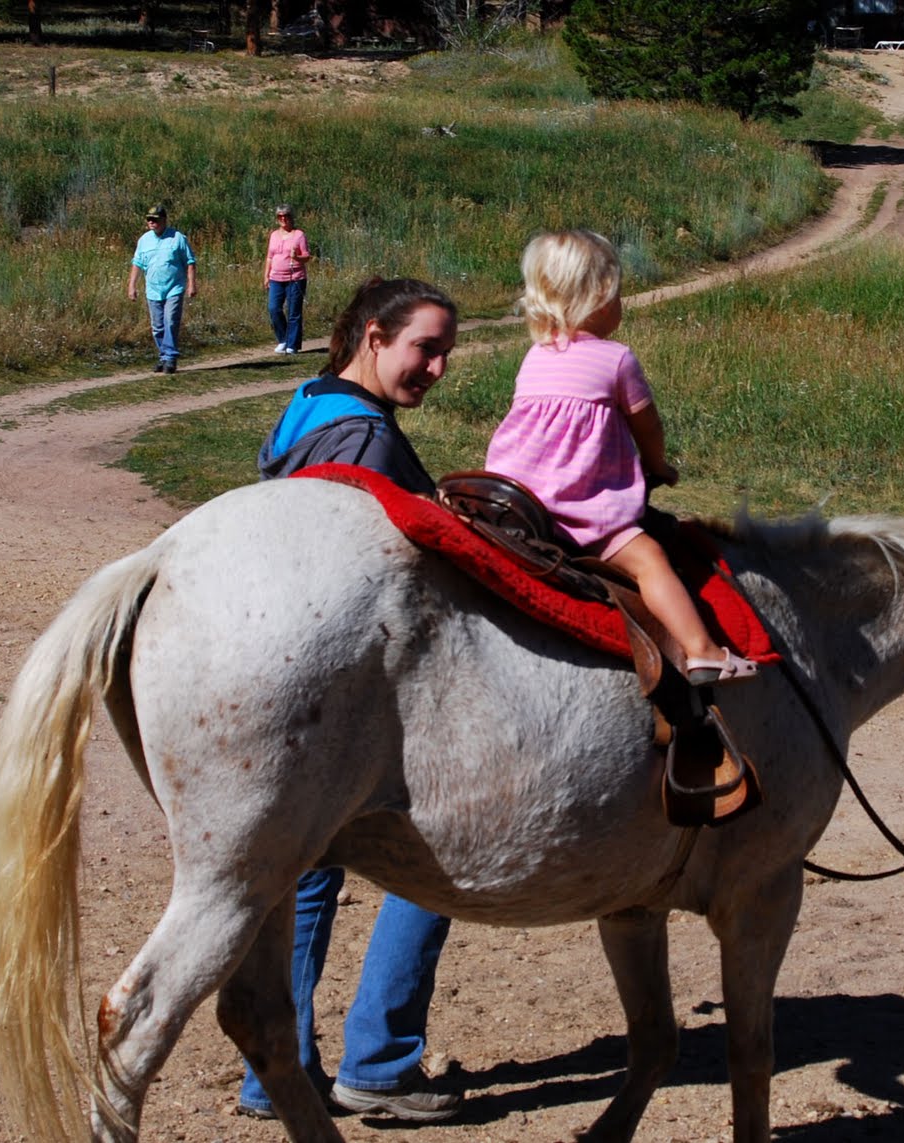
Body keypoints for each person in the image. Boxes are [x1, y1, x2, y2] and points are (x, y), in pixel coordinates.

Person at [239, 277, 461, 1123]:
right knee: (438, 858)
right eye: (425, 348)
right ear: (374, 335)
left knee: (306, 873)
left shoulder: (308, 401)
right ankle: (381, 1057)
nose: (437, 368)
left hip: (289, 680)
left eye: (445, 353)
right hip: (351, 695)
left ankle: (276, 1072)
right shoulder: (364, 441)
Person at [485, 230, 758, 687]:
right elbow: (647, 426)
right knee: (650, 559)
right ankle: (703, 651)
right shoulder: (617, 360)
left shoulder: (535, 356)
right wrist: (659, 466)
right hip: (579, 511)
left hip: (520, 503)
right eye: (618, 294)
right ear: (598, 297)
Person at [127, 203, 197, 374]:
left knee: (170, 321)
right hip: (153, 290)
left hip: (174, 288)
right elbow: (137, 264)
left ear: (164, 220)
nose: (152, 223)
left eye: (155, 220)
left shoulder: (178, 238)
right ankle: (163, 355)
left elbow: (190, 262)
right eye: (149, 220)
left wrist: (192, 284)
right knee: (157, 325)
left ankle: (170, 357)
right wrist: (132, 286)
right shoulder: (144, 240)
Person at [264, 204, 312, 355]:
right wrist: (266, 275)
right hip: (276, 278)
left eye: (286, 216)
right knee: (273, 308)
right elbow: (269, 257)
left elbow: (307, 256)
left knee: (293, 312)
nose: (283, 219)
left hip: (295, 278)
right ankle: (283, 339)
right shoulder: (273, 235)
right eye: (280, 216)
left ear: (291, 217)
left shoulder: (299, 235)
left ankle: (293, 344)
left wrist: (297, 257)